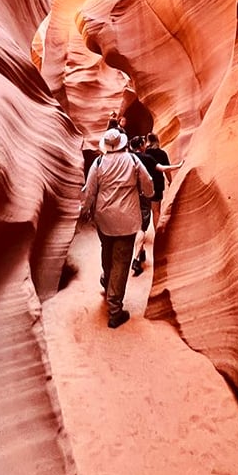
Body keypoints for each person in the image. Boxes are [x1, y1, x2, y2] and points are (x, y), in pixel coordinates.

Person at [81, 127, 154, 328]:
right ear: (122, 143)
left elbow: (89, 191)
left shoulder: (98, 163)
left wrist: (86, 210)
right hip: (127, 218)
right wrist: (147, 193)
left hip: (104, 218)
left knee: (107, 249)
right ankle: (115, 310)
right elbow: (147, 184)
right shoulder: (132, 160)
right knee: (121, 260)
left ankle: (107, 279)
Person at [128, 136, 157, 275]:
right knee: (141, 228)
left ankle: (141, 251)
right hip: (142, 197)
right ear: (140, 145)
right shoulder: (145, 159)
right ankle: (136, 259)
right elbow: (155, 173)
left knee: (134, 227)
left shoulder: (126, 158)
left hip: (127, 197)